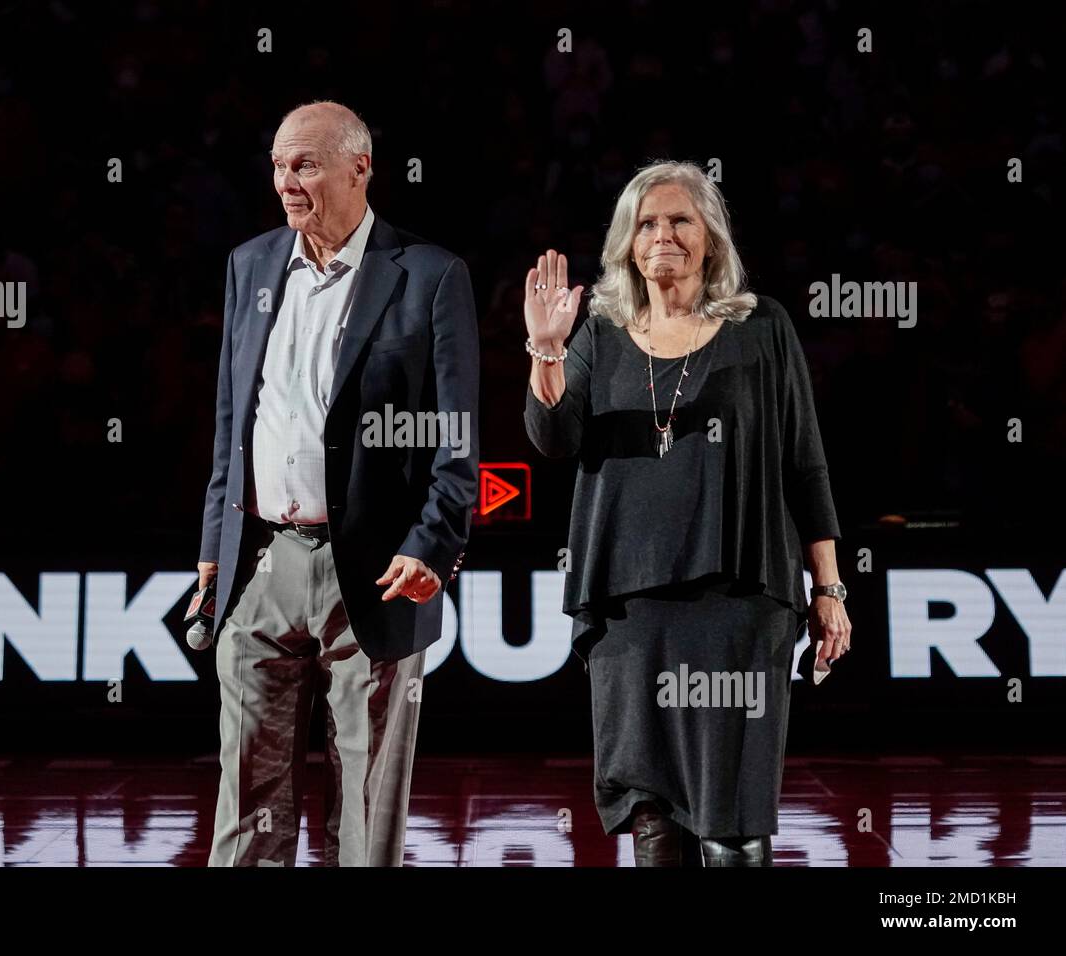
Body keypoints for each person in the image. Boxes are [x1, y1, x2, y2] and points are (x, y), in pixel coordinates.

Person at [523, 160, 852, 866]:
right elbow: (553, 438)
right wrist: (546, 349)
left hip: (741, 602)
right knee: (651, 811)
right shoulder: (599, 333)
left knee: (732, 813)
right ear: (627, 242)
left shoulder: (762, 328)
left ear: (711, 239)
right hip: (629, 608)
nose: (663, 235)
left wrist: (828, 587)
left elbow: (806, 463)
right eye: (647, 223)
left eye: (680, 221)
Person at [197, 101, 479, 866]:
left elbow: (456, 440)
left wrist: (433, 543)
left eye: (306, 166)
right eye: (279, 166)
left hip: (379, 570)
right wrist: (214, 548)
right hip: (259, 563)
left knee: (364, 815)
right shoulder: (251, 264)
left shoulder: (429, 275)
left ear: (361, 169)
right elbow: (232, 418)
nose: (287, 182)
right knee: (245, 809)